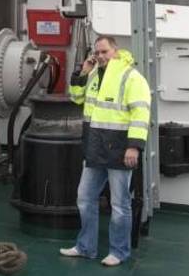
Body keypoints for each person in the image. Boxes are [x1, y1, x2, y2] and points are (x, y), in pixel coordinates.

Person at [59, 36, 152, 266]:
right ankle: (85, 247)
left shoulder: (132, 77)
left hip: (119, 149)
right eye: (97, 53)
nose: (100, 56)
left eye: (104, 52)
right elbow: (76, 97)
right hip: (95, 148)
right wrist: (82, 72)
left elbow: (141, 114)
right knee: (85, 198)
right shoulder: (92, 75)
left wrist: (134, 147)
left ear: (115, 51)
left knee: (120, 205)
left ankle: (119, 252)